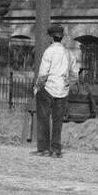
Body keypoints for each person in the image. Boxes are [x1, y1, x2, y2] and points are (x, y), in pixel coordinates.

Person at [33, 23, 75, 157]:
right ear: (61, 38)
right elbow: (75, 74)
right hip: (63, 90)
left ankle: (44, 148)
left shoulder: (49, 51)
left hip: (48, 88)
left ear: (51, 38)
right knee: (58, 121)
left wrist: (37, 87)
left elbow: (43, 73)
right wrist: (68, 83)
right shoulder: (69, 53)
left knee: (43, 119)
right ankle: (56, 149)